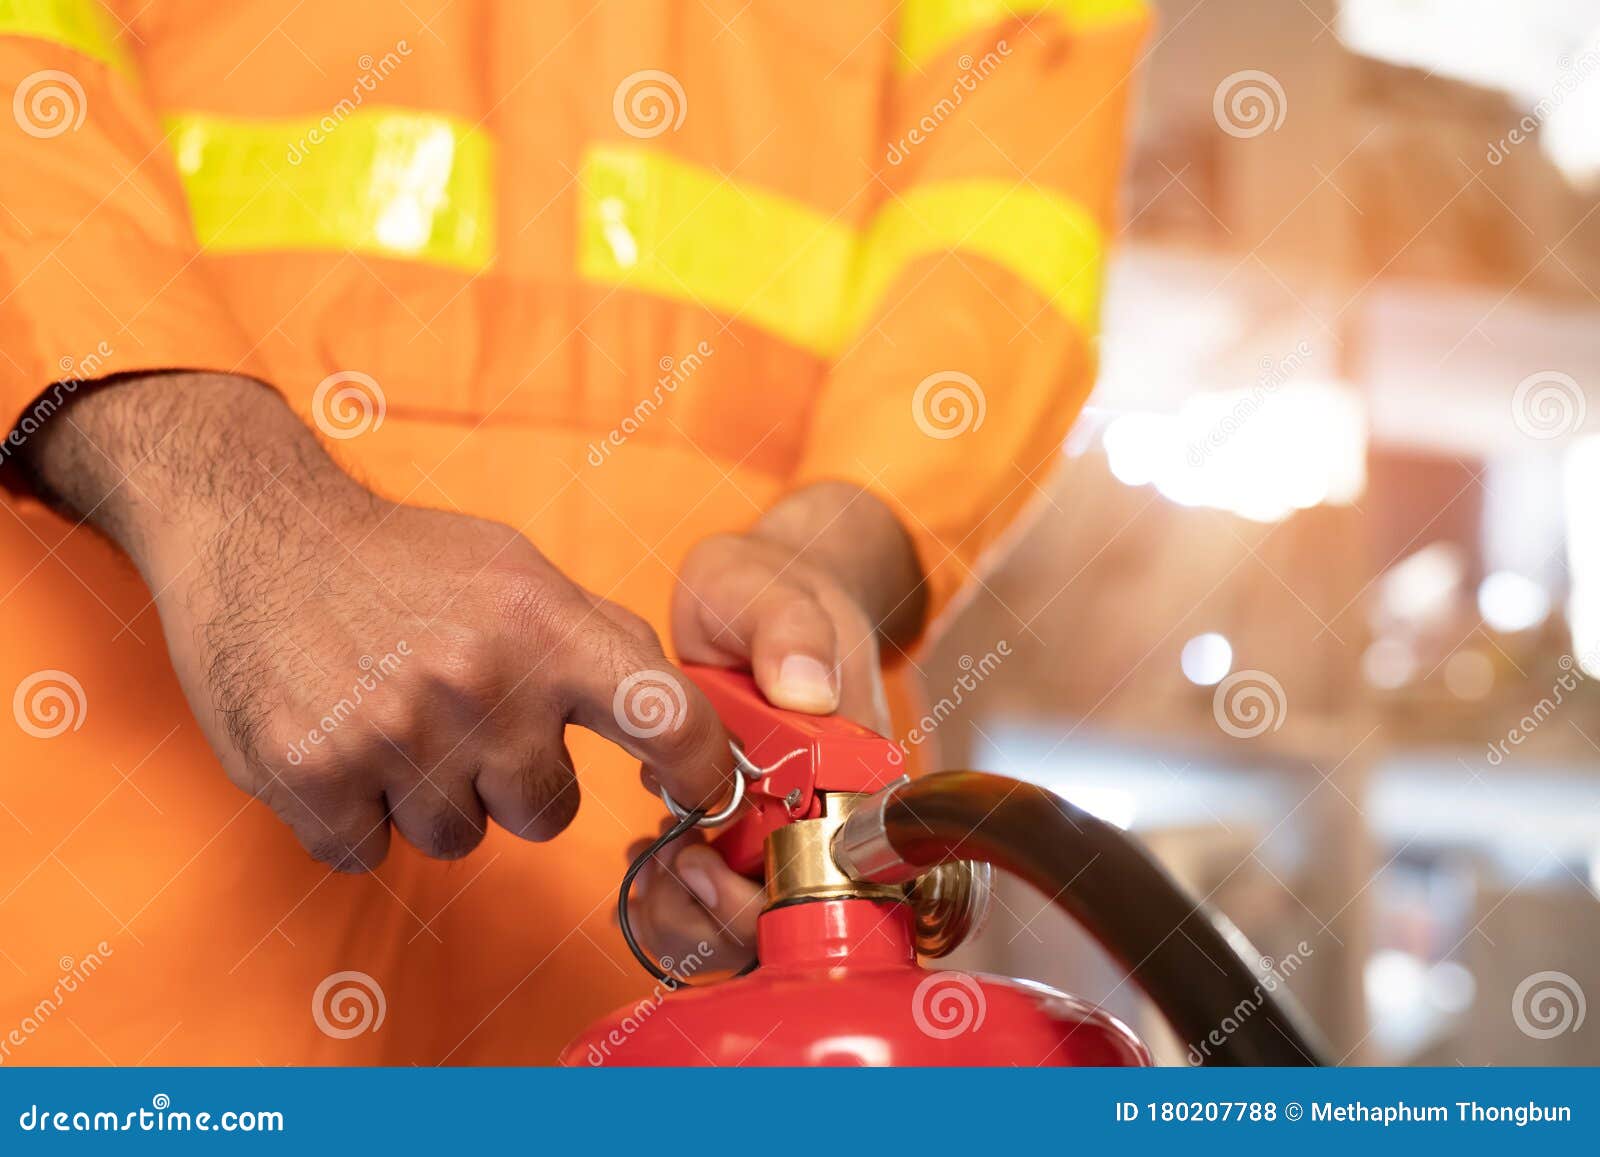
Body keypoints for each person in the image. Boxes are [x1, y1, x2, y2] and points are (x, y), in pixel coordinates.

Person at [0, 0, 1146, 1063]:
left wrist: (841, 542)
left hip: (699, 926)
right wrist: (222, 490)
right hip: (117, 851)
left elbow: (1008, 189)